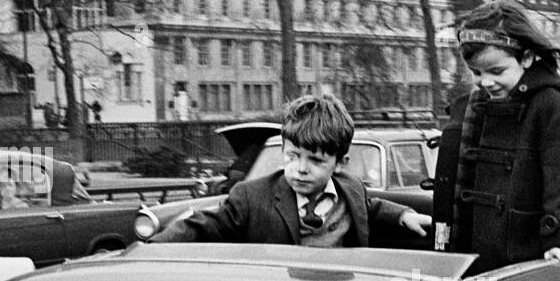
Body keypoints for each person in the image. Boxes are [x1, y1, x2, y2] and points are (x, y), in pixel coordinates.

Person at [434, 0, 560, 272]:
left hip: (524, 264)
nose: (486, 83)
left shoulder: (555, 110)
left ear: (527, 57)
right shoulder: (473, 108)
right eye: (477, 73)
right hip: (472, 261)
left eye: (497, 71)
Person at [151, 93, 431, 246]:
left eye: (316, 161)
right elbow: (204, 225)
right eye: (292, 156)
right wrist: (152, 247)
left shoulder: (351, 189)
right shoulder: (251, 197)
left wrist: (404, 215)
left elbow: (370, 207)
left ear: (340, 162)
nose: (300, 169)